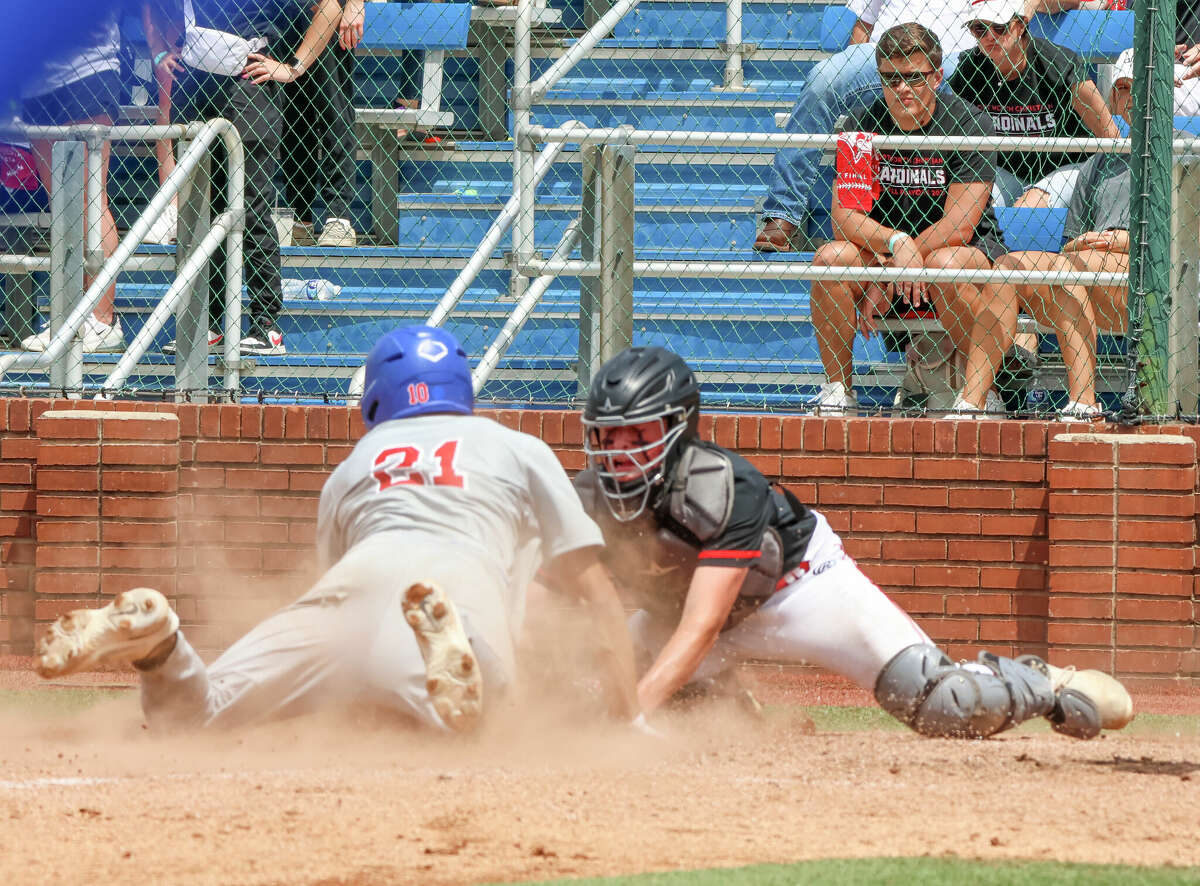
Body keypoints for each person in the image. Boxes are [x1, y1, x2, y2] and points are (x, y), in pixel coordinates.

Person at [34, 325, 642, 735]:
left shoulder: (354, 466)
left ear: (376, 397)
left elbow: (336, 599)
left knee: (197, 717)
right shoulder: (516, 446)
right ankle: (464, 651)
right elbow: (594, 592)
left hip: (350, 592)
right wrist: (626, 720)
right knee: (480, 719)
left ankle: (163, 644)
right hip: (454, 586)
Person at [571, 343, 1134, 740]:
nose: (618, 449)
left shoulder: (721, 487)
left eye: (638, 433)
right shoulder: (584, 498)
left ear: (678, 429)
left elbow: (703, 623)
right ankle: (725, 710)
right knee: (577, 691)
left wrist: (635, 708)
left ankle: (1038, 682)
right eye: (606, 434)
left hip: (798, 591)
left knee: (942, 704)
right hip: (696, 618)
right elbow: (551, 607)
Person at [982, 47, 1193, 421]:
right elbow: (1071, 240)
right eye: (1127, 87)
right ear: (1114, 97)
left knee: (1070, 269)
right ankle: (979, 400)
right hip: (1086, 272)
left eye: (1147, 87)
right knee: (1007, 267)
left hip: (1157, 279)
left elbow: (1187, 242)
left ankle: (1081, 398)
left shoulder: (1187, 153)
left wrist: (1117, 241)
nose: (1135, 97)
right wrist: (1089, 245)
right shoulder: (1097, 163)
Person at [807, 24, 1008, 416]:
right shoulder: (860, 126)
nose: (901, 88)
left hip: (958, 255)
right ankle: (839, 391)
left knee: (944, 264)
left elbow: (960, 225)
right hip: (891, 257)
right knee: (831, 258)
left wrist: (899, 262)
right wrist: (895, 250)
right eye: (890, 78)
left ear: (937, 76)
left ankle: (981, 392)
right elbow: (844, 217)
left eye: (914, 77)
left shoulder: (971, 124)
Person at [161, 0, 341, 357]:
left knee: (251, 208)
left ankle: (266, 325)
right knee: (199, 212)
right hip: (195, 85)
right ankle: (205, 324)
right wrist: (159, 54)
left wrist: (294, 67)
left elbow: (331, 8)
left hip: (248, 89)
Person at [17, 9, 126, 354]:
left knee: (90, 200)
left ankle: (102, 320)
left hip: (88, 71)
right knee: (62, 207)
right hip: (37, 80)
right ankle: (71, 319)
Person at [948, 0, 1119, 210]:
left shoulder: (1058, 64)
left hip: (1065, 166)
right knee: (972, 204)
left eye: (999, 28)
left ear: (1020, 25)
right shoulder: (969, 69)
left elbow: (1109, 134)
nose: (989, 37)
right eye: (979, 29)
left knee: (1029, 208)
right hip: (1006, 169)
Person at [277, 0, 363, 248]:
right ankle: (300, 217)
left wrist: (356, 2)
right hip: (288, 11)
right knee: (293, 116)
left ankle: (338, 216)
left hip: (329, 8)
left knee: (333, 109)